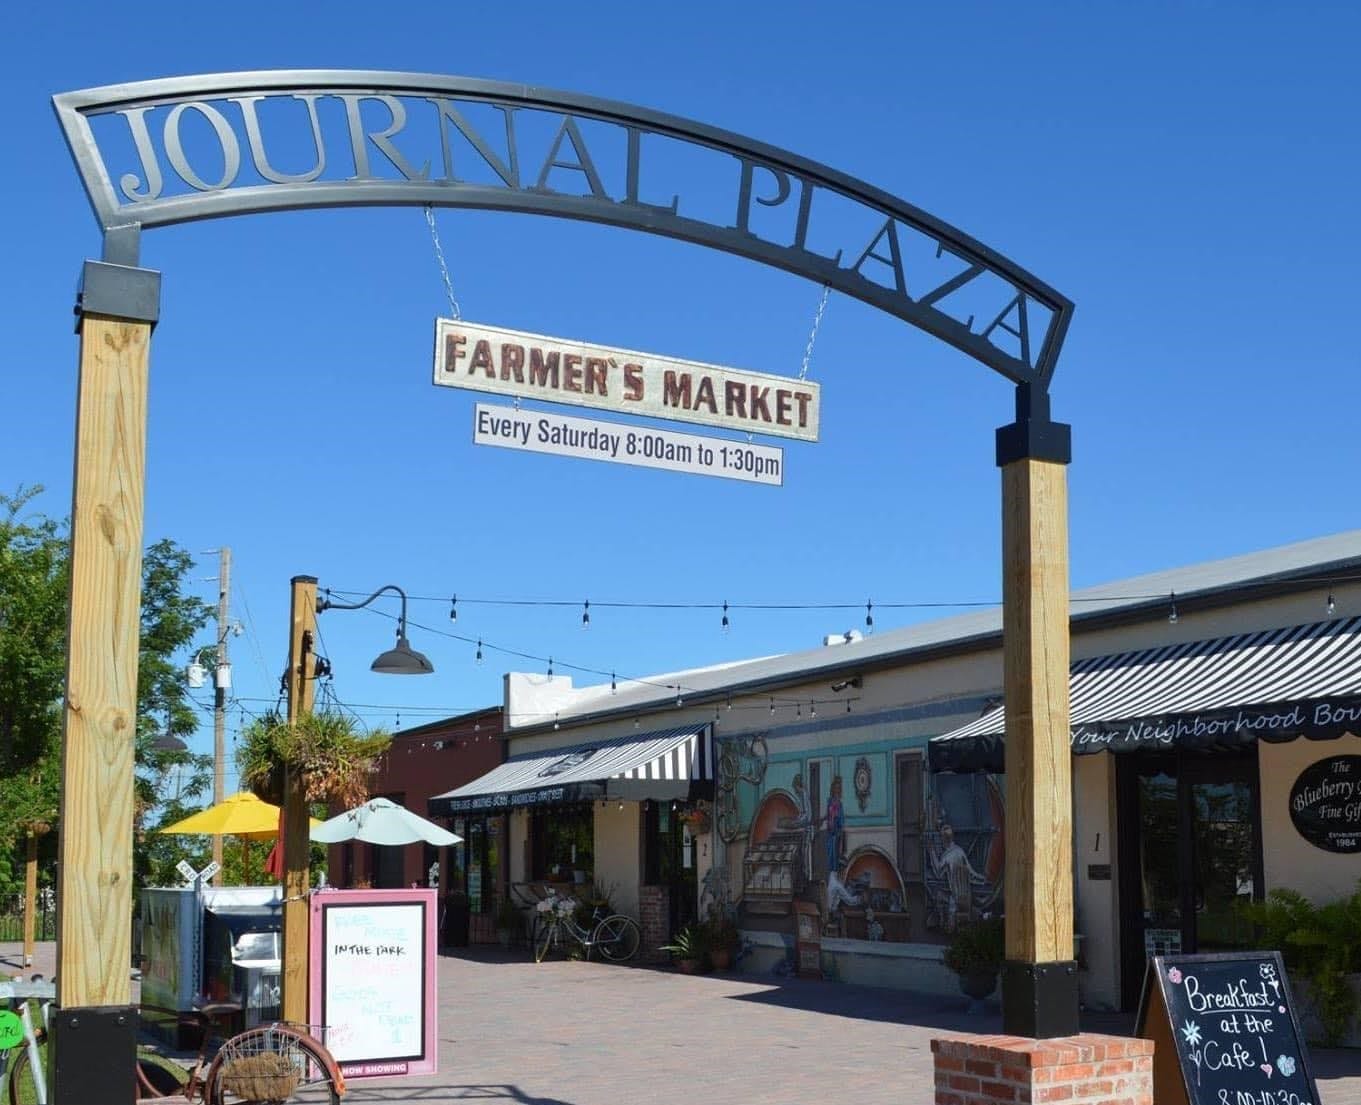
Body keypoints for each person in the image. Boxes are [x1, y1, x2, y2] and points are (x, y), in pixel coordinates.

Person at [932, 822, 982, 932]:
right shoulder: (960, 850)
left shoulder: (947, 856)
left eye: (941, 838)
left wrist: (932, 853)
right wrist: (982, 880)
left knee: (941, 899)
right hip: (965, 892)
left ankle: (948, 926)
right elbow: (971, 872)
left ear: (944, 839)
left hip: (955, 893)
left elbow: (937, 872)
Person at [823, 776, 845, 875]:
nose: (836, 790)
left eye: (838, 788)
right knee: (829, 855)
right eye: (835, 788)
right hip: (829, 833)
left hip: (836, 833)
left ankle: (834, 875)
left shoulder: (839, 804)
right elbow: (828, 815)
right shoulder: (829, 801)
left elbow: (841, 820)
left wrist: (839, 830)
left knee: (835, 856)